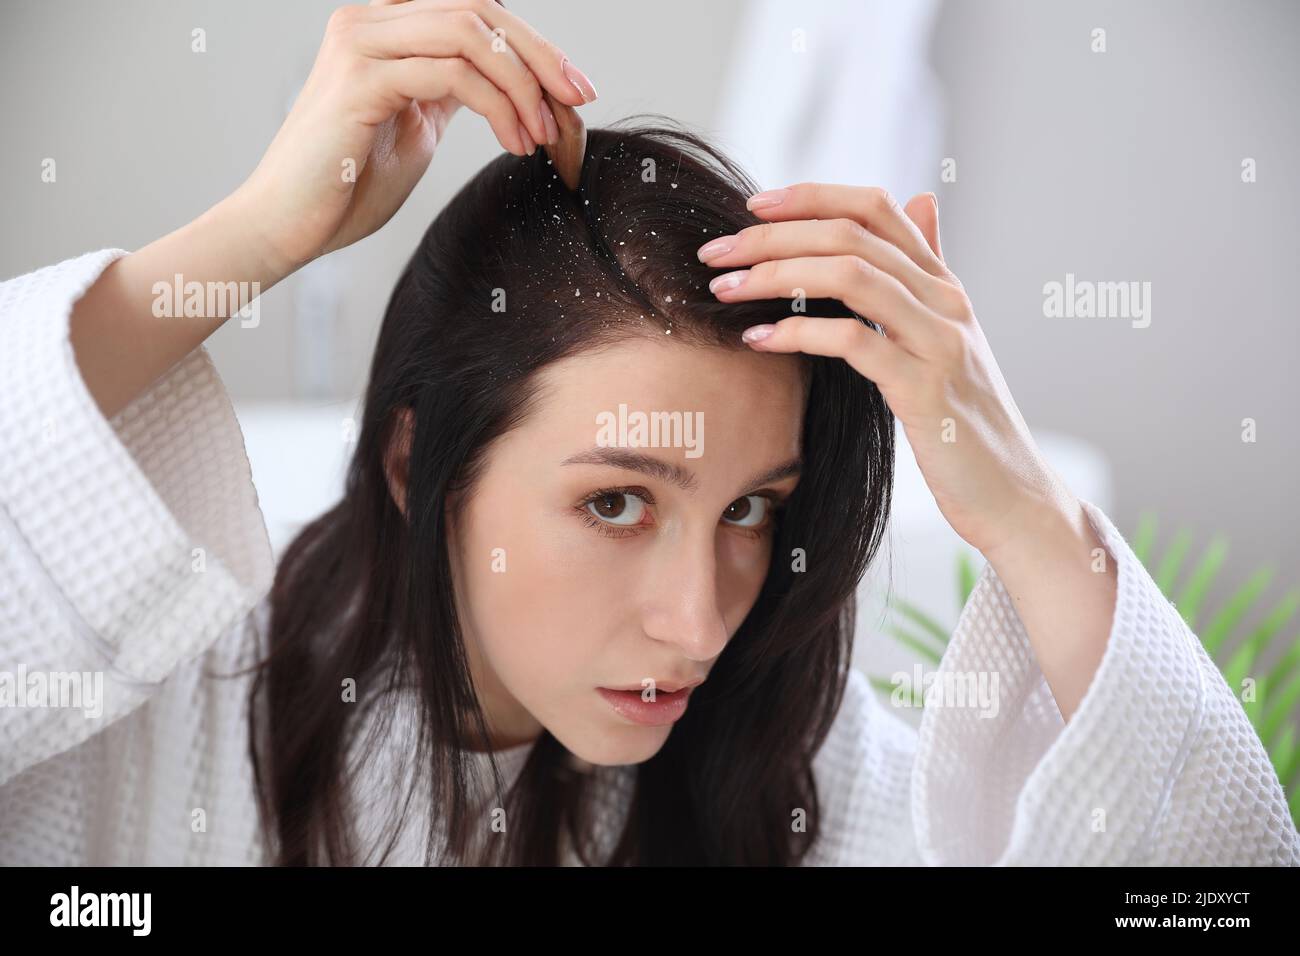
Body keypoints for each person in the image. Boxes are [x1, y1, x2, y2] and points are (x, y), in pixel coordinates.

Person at [1, 0, 1296, 866]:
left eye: (751, 510)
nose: (699, 621)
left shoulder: (799, 774)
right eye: (617, 501)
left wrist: (1026, 509)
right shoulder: (151, 715)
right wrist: (255, 236)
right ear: (418, 466)